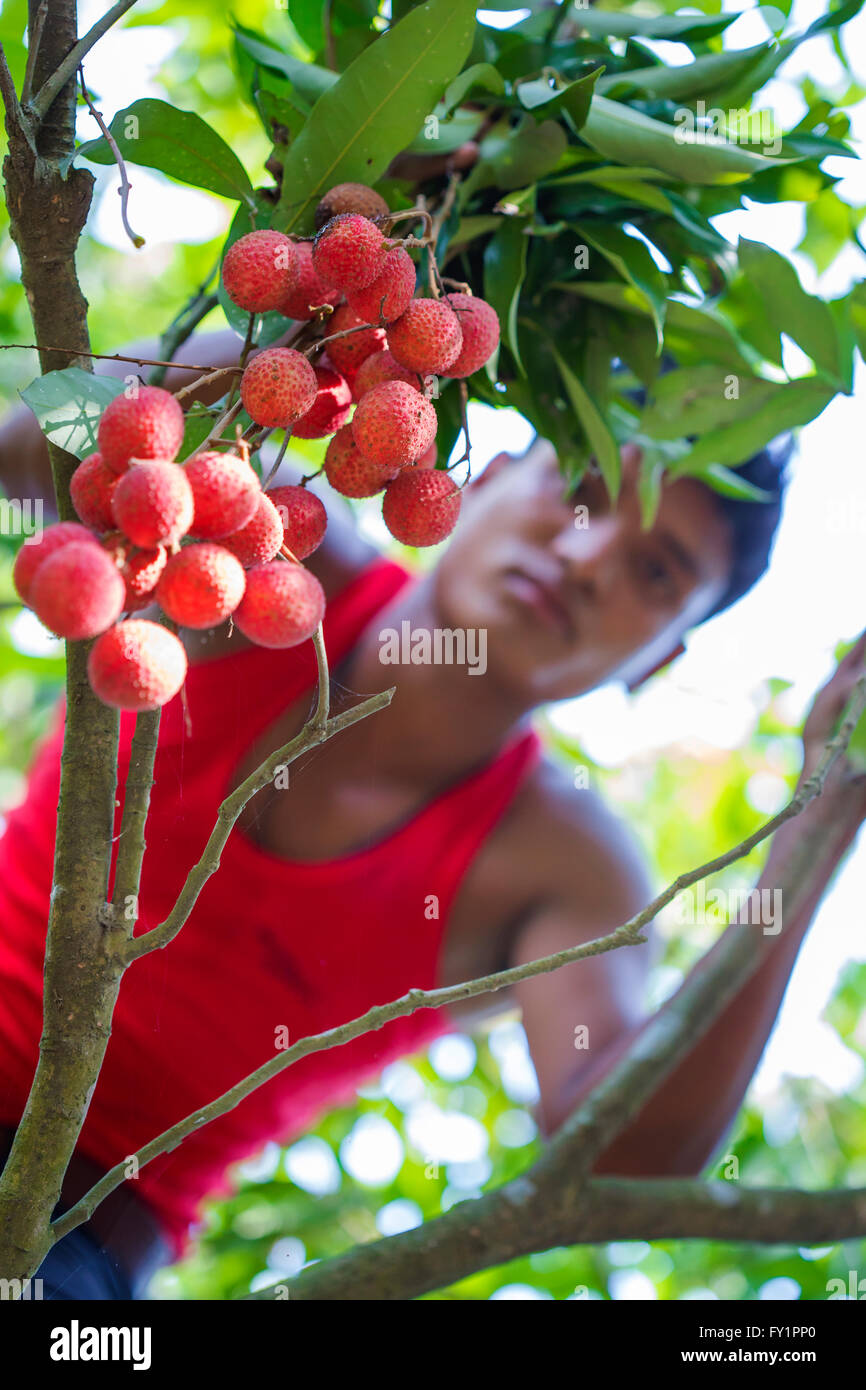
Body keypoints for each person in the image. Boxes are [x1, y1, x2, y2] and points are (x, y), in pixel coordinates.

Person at [0, 329, 864, 1302]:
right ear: (484, 477)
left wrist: (821, 817)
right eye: (578, 482)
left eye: (655, 571)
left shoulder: (565, 868)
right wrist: (316, 324)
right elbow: (30, 450)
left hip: (70, 1242)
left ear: (657, 659)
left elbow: (623, 1153)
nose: (585, 556)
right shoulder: (278, 558)